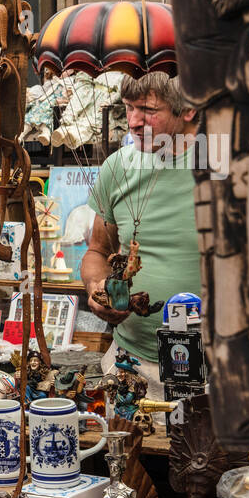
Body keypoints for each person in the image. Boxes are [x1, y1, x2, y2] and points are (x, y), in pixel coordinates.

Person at [82, 72, 202, 403]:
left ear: (188, 109)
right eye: (128, 108)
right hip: (132, 368)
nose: (133, 122)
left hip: (216, 371)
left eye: (148, 110)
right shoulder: (117, 167)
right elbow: (97, 250)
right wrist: (97, 289)